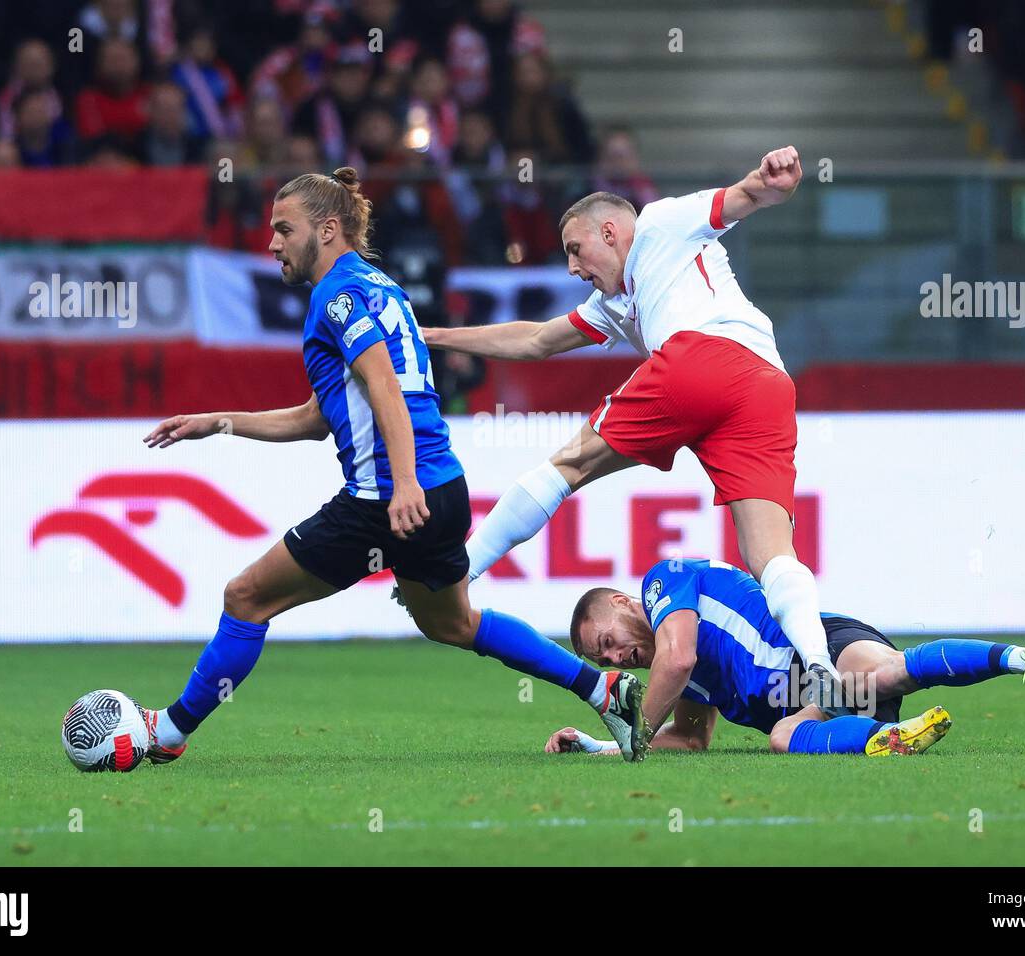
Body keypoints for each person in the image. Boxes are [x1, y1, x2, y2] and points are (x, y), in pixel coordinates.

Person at [137, 168, 650, 762]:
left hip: (385, 499)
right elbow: (319, 416)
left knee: (247, 597)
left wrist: (402, 483)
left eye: (284, 229)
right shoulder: (379, 287)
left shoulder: (340, 294)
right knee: (454, 623)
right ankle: (603, 688)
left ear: (327, 231)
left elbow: (385, 386)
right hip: (441, 490)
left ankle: (167, 733)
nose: (272, 243)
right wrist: (220, 421)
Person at [422, 146, 844, 700]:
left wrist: (774, 183)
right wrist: (431, 336)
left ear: (612, 230)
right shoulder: (617, 302)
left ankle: (458, 574)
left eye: (576, 250)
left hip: (703, 359)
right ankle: (821, 668)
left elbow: (743, 196)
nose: (573, 268)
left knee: (569, 465)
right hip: (765, 386)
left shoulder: (661, 223)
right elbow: (536, 339)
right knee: (769, 553)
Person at [545, 558, 1025, 757]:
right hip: (801, 698)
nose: (617, 656)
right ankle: (886, 739)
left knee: (888, 673)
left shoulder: (664, 582)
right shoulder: (677, 680)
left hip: (814, 646)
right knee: (785, 735)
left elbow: (678, 657)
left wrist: (629, 731)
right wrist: (597, 745)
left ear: (622, 602)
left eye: (607, 641)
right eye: (605, 657)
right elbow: (690, 739)